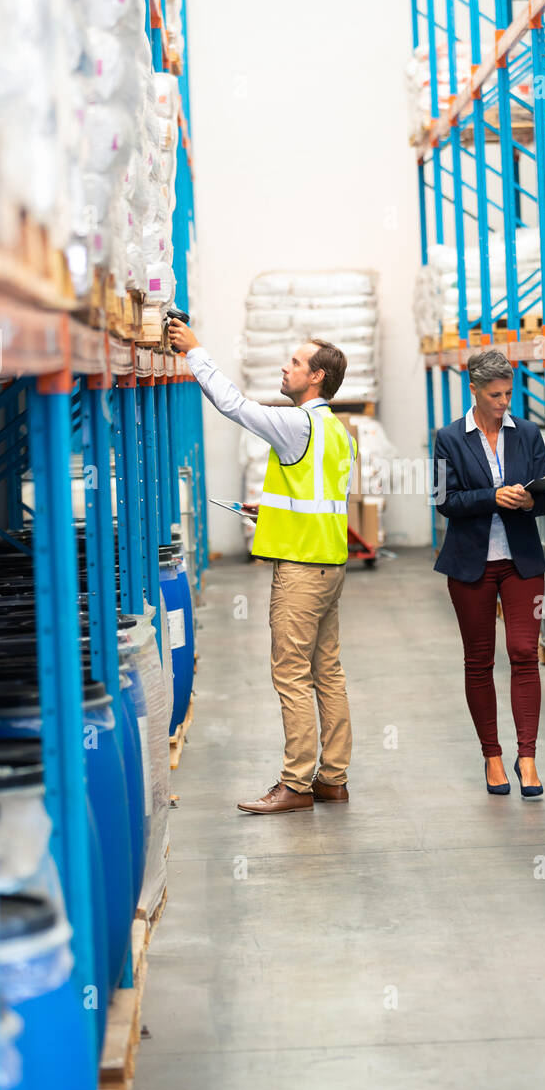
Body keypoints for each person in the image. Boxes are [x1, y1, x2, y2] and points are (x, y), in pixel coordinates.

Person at [168, 319, 357, 814]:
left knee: (291, 675)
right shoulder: (336, 431)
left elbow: (234, 405)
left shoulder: (298, 423)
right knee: (327, 672)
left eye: (294, 362)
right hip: (329, 566)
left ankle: (295, 785)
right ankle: (332, 778)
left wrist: (195, 351)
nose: (285, 367)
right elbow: (318, 497)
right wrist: (268, 510)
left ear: (316, 378)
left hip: (300, 571)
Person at [432, 349, 545, 798]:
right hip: (470, 566)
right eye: (495, 395)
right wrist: (493, 497)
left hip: (522, 562)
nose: (504, 402)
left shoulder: (527, 433)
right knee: (478, 660)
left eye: (509, 393)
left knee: (524, 651)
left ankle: (528, 757)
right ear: (474, 391)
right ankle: (492, 756)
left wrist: (530, 500)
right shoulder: (449, 437)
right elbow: (445, 500)